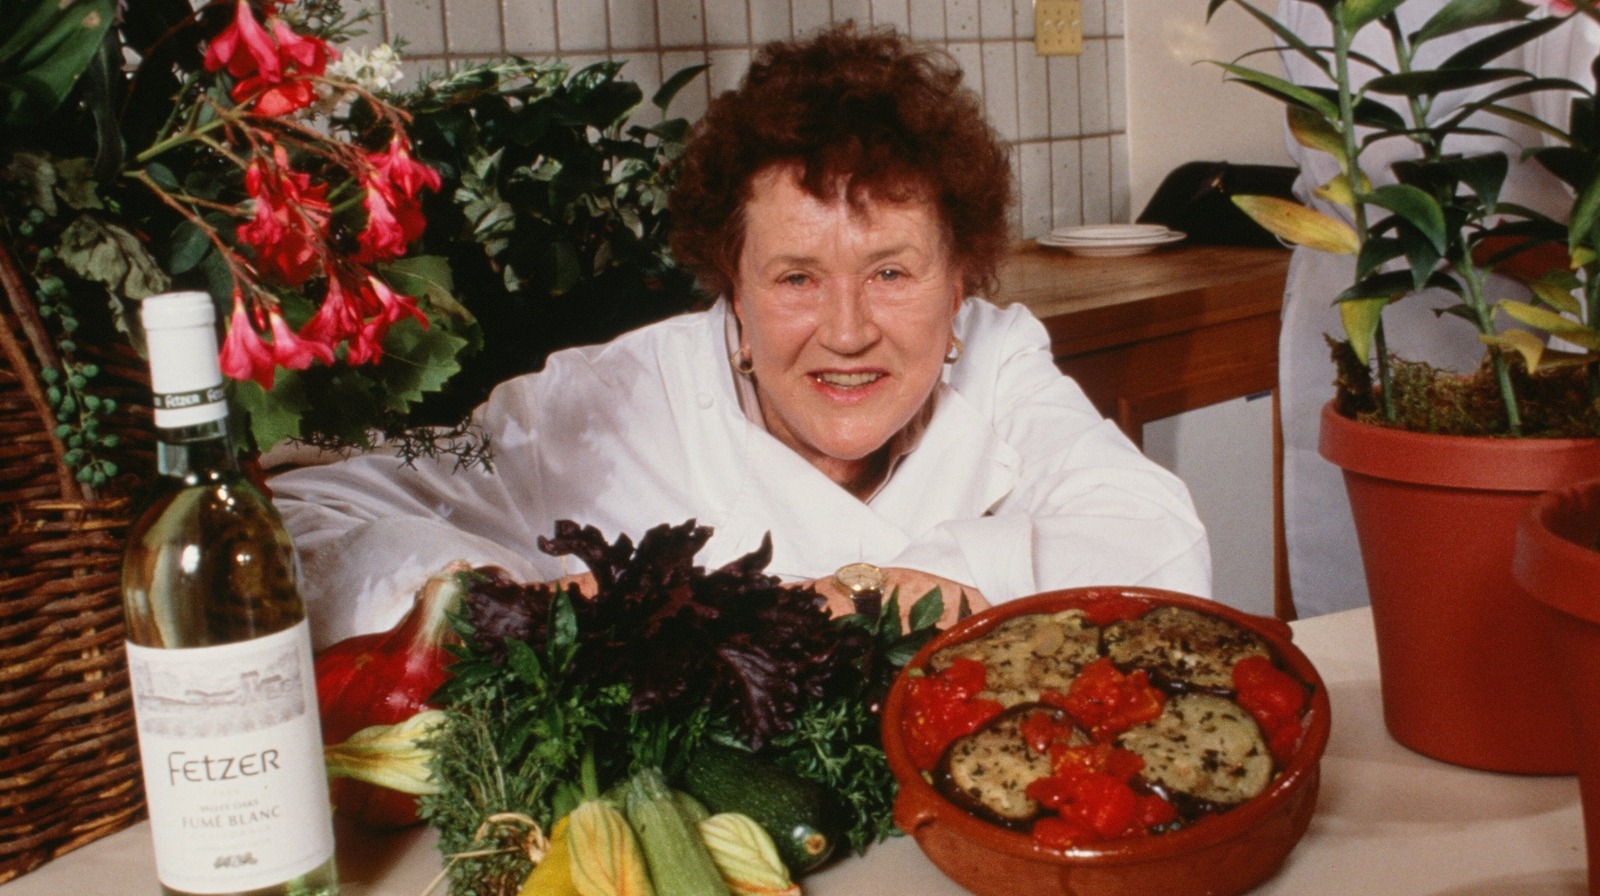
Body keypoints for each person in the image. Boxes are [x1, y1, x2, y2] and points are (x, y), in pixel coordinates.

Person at [269, 23, 1212, 650]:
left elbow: (1163, 549)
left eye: (890, 272)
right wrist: (502, 600)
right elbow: (303, 512)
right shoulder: (600, 400)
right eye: (797, 278)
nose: (847, 332)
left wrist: (870, 595)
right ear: (731, 284)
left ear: (959, 277)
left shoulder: (999, 360)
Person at [1273, 0, 1594, 617]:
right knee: (1386, 623)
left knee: (1531, 617)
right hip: (1382, 304)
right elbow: (1353, 161)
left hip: (1542, 310)